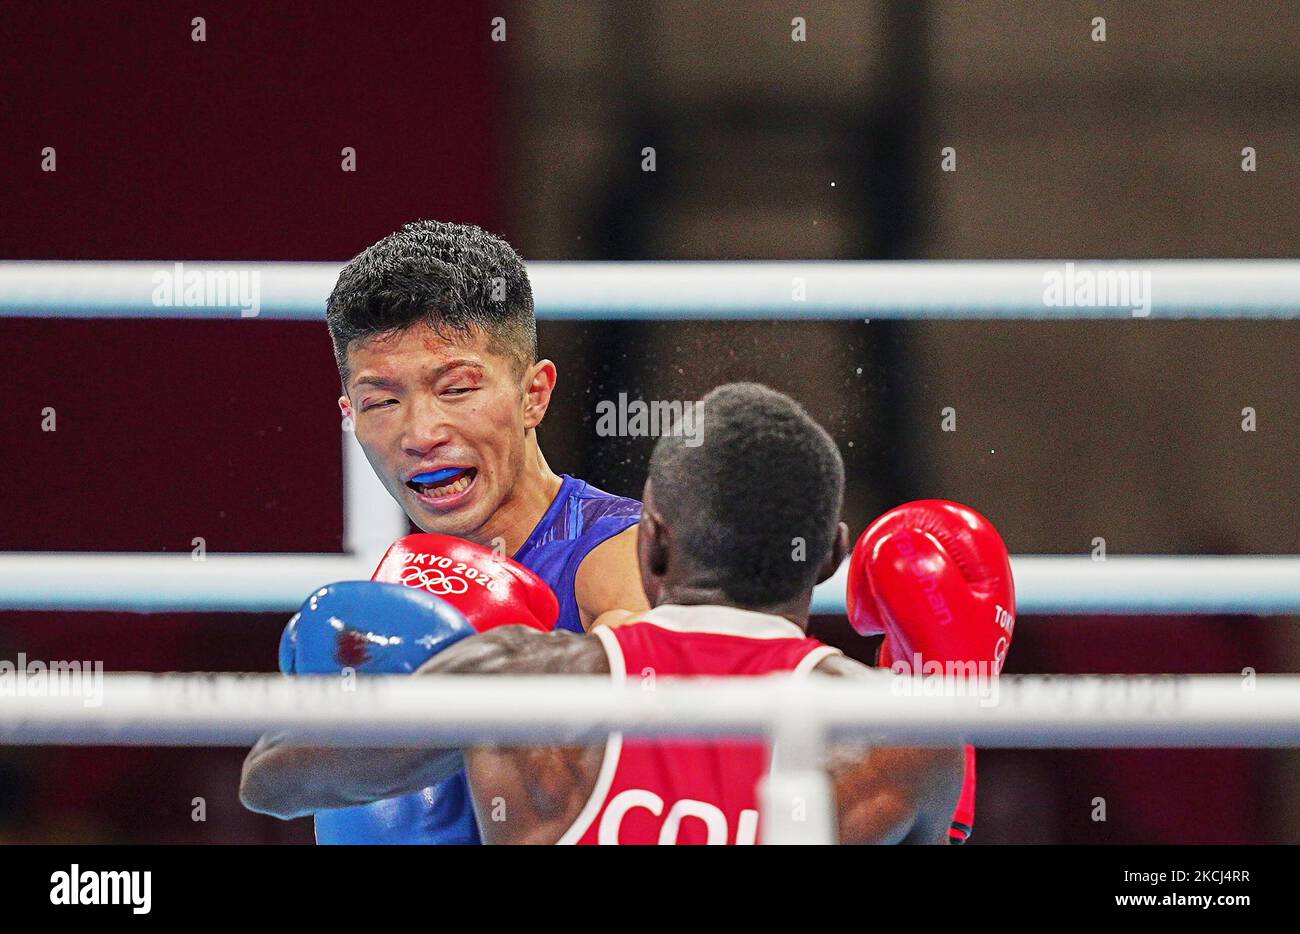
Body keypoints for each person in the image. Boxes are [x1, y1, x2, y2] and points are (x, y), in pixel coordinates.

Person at [242, 383, 995, 844]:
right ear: (829, 556)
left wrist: (442, 701)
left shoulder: (521, 684)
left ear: (652, 544)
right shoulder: (906, 738)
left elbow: (271, 781)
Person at [311, 220, 647, 843]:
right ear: (349, 413)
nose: (419, 433)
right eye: (381, 402)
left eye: (457, 389)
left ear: (534, 394)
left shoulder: (612, 551)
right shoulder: (394, 590)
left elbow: (647, 703)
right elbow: (269, 789)